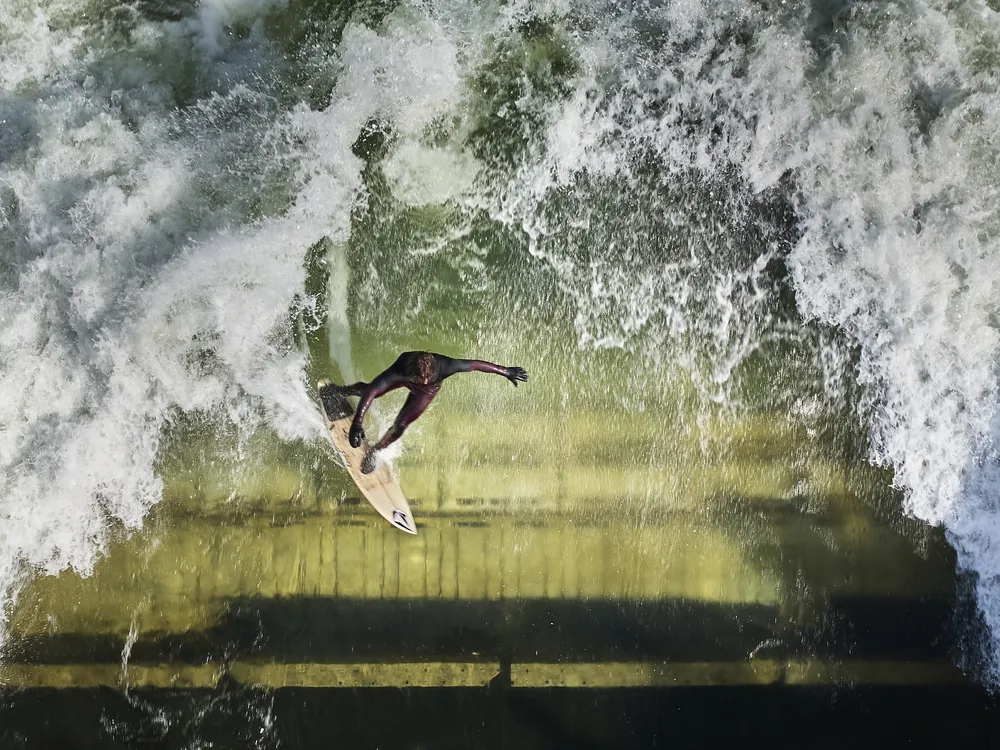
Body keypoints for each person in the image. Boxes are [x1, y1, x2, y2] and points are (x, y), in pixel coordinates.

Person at [329, 351, 528, 473]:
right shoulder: (402, 365)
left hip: (427, 392)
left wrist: (505, 371)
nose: (424, 379)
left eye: (427, 377)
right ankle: (341, 391)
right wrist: (357, 423)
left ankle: (374, 450)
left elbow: (475, 365)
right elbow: (373, 390)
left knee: (400, 425)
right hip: (406, 376)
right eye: (421, 379)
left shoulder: (447, 365)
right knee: (369, 390)